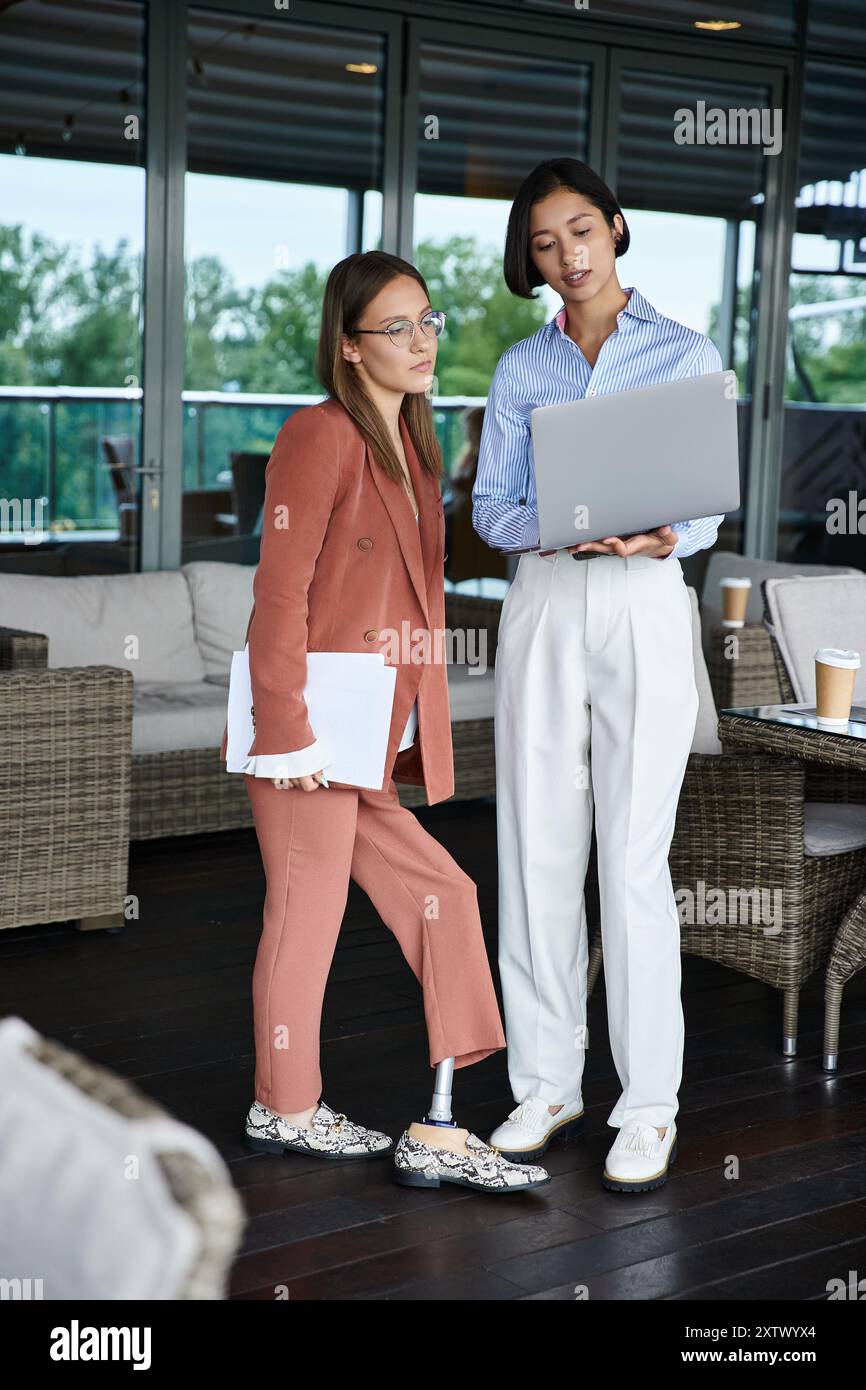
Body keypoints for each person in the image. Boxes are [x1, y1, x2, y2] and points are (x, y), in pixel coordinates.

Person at [219, 249, 549, 1195]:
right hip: (307, 738)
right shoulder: (319, 436)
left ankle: (441, 1126)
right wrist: (287, 732)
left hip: (365, 737)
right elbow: (278, 594)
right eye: (394, 328)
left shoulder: (415, 442)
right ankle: (283, 1107)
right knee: (305, 922)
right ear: (350, 348)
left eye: (429, 320)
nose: (422, 341)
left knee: (446, 896)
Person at [472, 158, 726, 1193]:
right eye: (543, 241)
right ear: (528, 259)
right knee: (533, 848)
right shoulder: (516, 369)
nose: (566, 255)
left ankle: (648, 1105)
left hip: (644, 605)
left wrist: (662, 532)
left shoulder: (682, 350)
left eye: (579, 230)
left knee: (630, 859)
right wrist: (566, 529)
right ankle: (544, 1083)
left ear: (615, 229)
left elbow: (707, 509)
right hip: (544, 599)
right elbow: (490, 510)